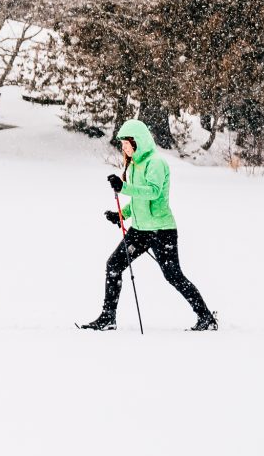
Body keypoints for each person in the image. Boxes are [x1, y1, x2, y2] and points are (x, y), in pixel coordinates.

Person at [79, 119, 217, 331]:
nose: (123, 147)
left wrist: (124, 186)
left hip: (162, 230)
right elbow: (138, 201)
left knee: (173, 275)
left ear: (138, 141)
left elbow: (153, 191)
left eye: (127, 143)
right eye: (122, 143)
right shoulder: (134, 164)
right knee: (114, 265)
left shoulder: (156, 163)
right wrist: (121, 215)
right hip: (140, 230)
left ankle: (205, 317)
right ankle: (108, 318)